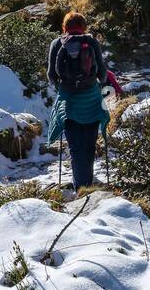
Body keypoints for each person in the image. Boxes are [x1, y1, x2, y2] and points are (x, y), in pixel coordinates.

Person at [47, 11, 122, 192]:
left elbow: (51, 76)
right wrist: (99, 88)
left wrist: (63, 90)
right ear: (84, 27)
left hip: (69, 104)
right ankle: (86, 185)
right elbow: (103, 74)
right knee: (89, 145)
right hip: (91, 102)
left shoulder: (57, 43)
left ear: (64, 27)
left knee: (75, 148)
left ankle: (81, 187)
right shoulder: (91, 42)